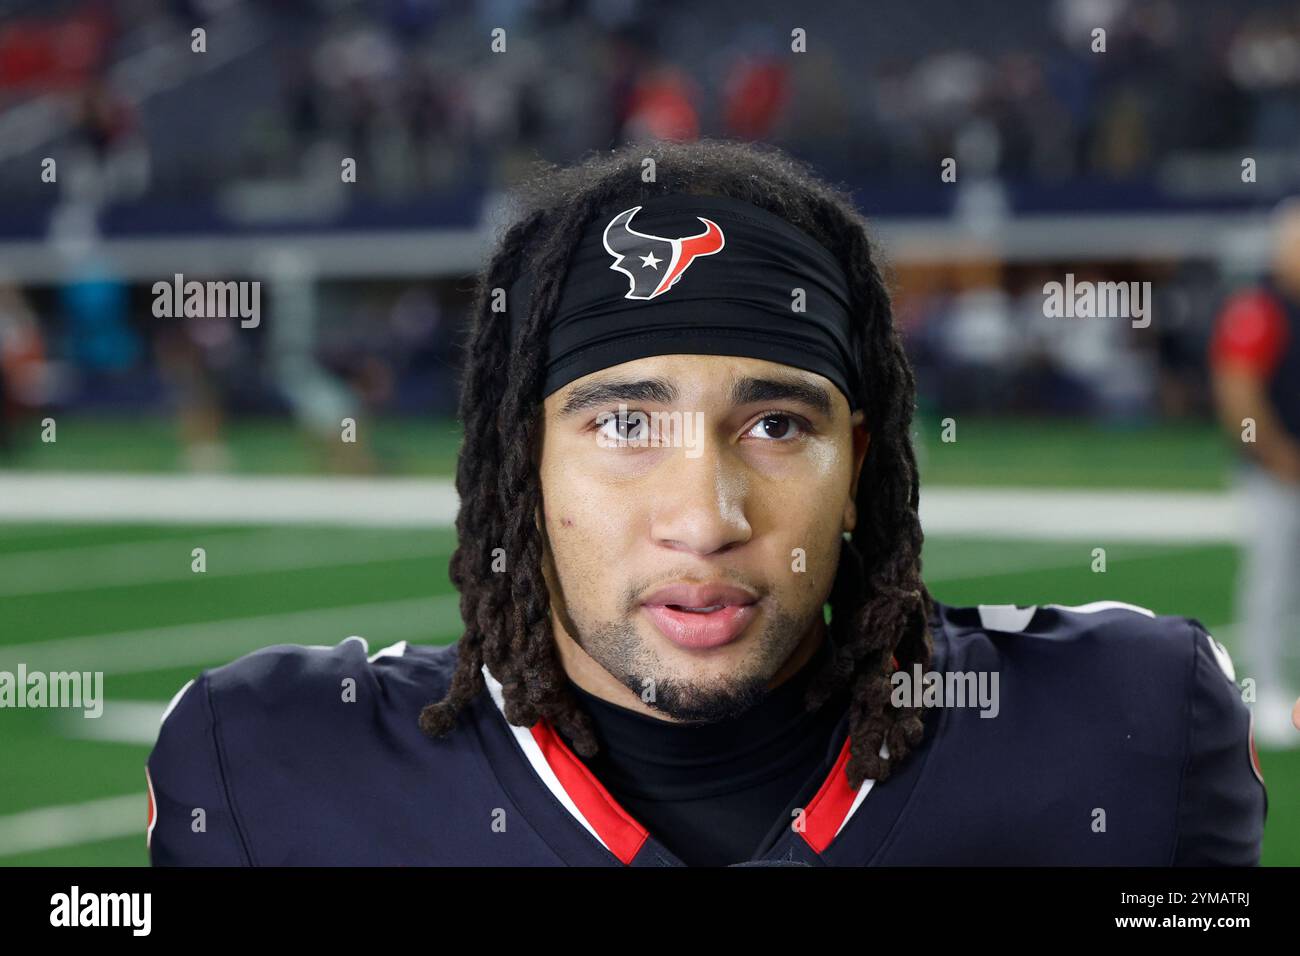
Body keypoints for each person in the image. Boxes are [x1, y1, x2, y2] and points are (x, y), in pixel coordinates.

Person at [147, 140, 1265, 866]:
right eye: (624, 422)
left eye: (775, 424)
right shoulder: (269, 774)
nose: (705, 513)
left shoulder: (1128, 734)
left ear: (857, 465)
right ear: (519, 463)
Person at [1210, 196, 1300, 749]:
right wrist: (1279, 456)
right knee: (1272, 579)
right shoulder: (1260, 308)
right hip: (1275, 471)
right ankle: (1264, 689)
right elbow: (1237, 388)